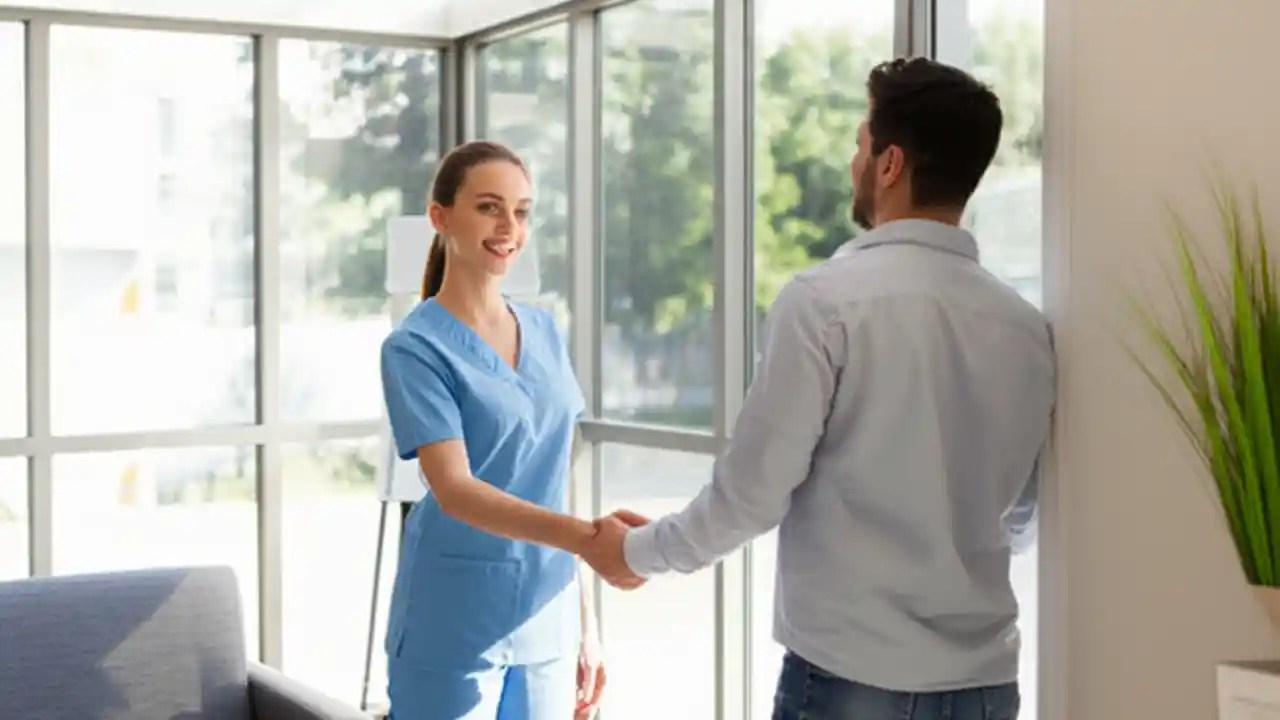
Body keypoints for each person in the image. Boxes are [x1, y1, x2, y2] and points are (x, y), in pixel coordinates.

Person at [580, 57, 1057, 720]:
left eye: (860, 146)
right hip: (985, 688)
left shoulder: (826, 302)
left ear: (890, 164)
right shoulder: (1025, 327)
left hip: (852, 680)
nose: (852, 162)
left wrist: (635, 553)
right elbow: (1024, 514)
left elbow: (751, 495)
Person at [379, 140, 636, 720]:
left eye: (521, 211)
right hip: (453, 615)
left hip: (548, 615)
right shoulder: (415, 347)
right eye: (489, 207)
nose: (509, 227)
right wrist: (590, 541)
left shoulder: (545, 331)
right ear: (441, 217)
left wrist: (585, 625)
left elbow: (558, 479)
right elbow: (455, 488)